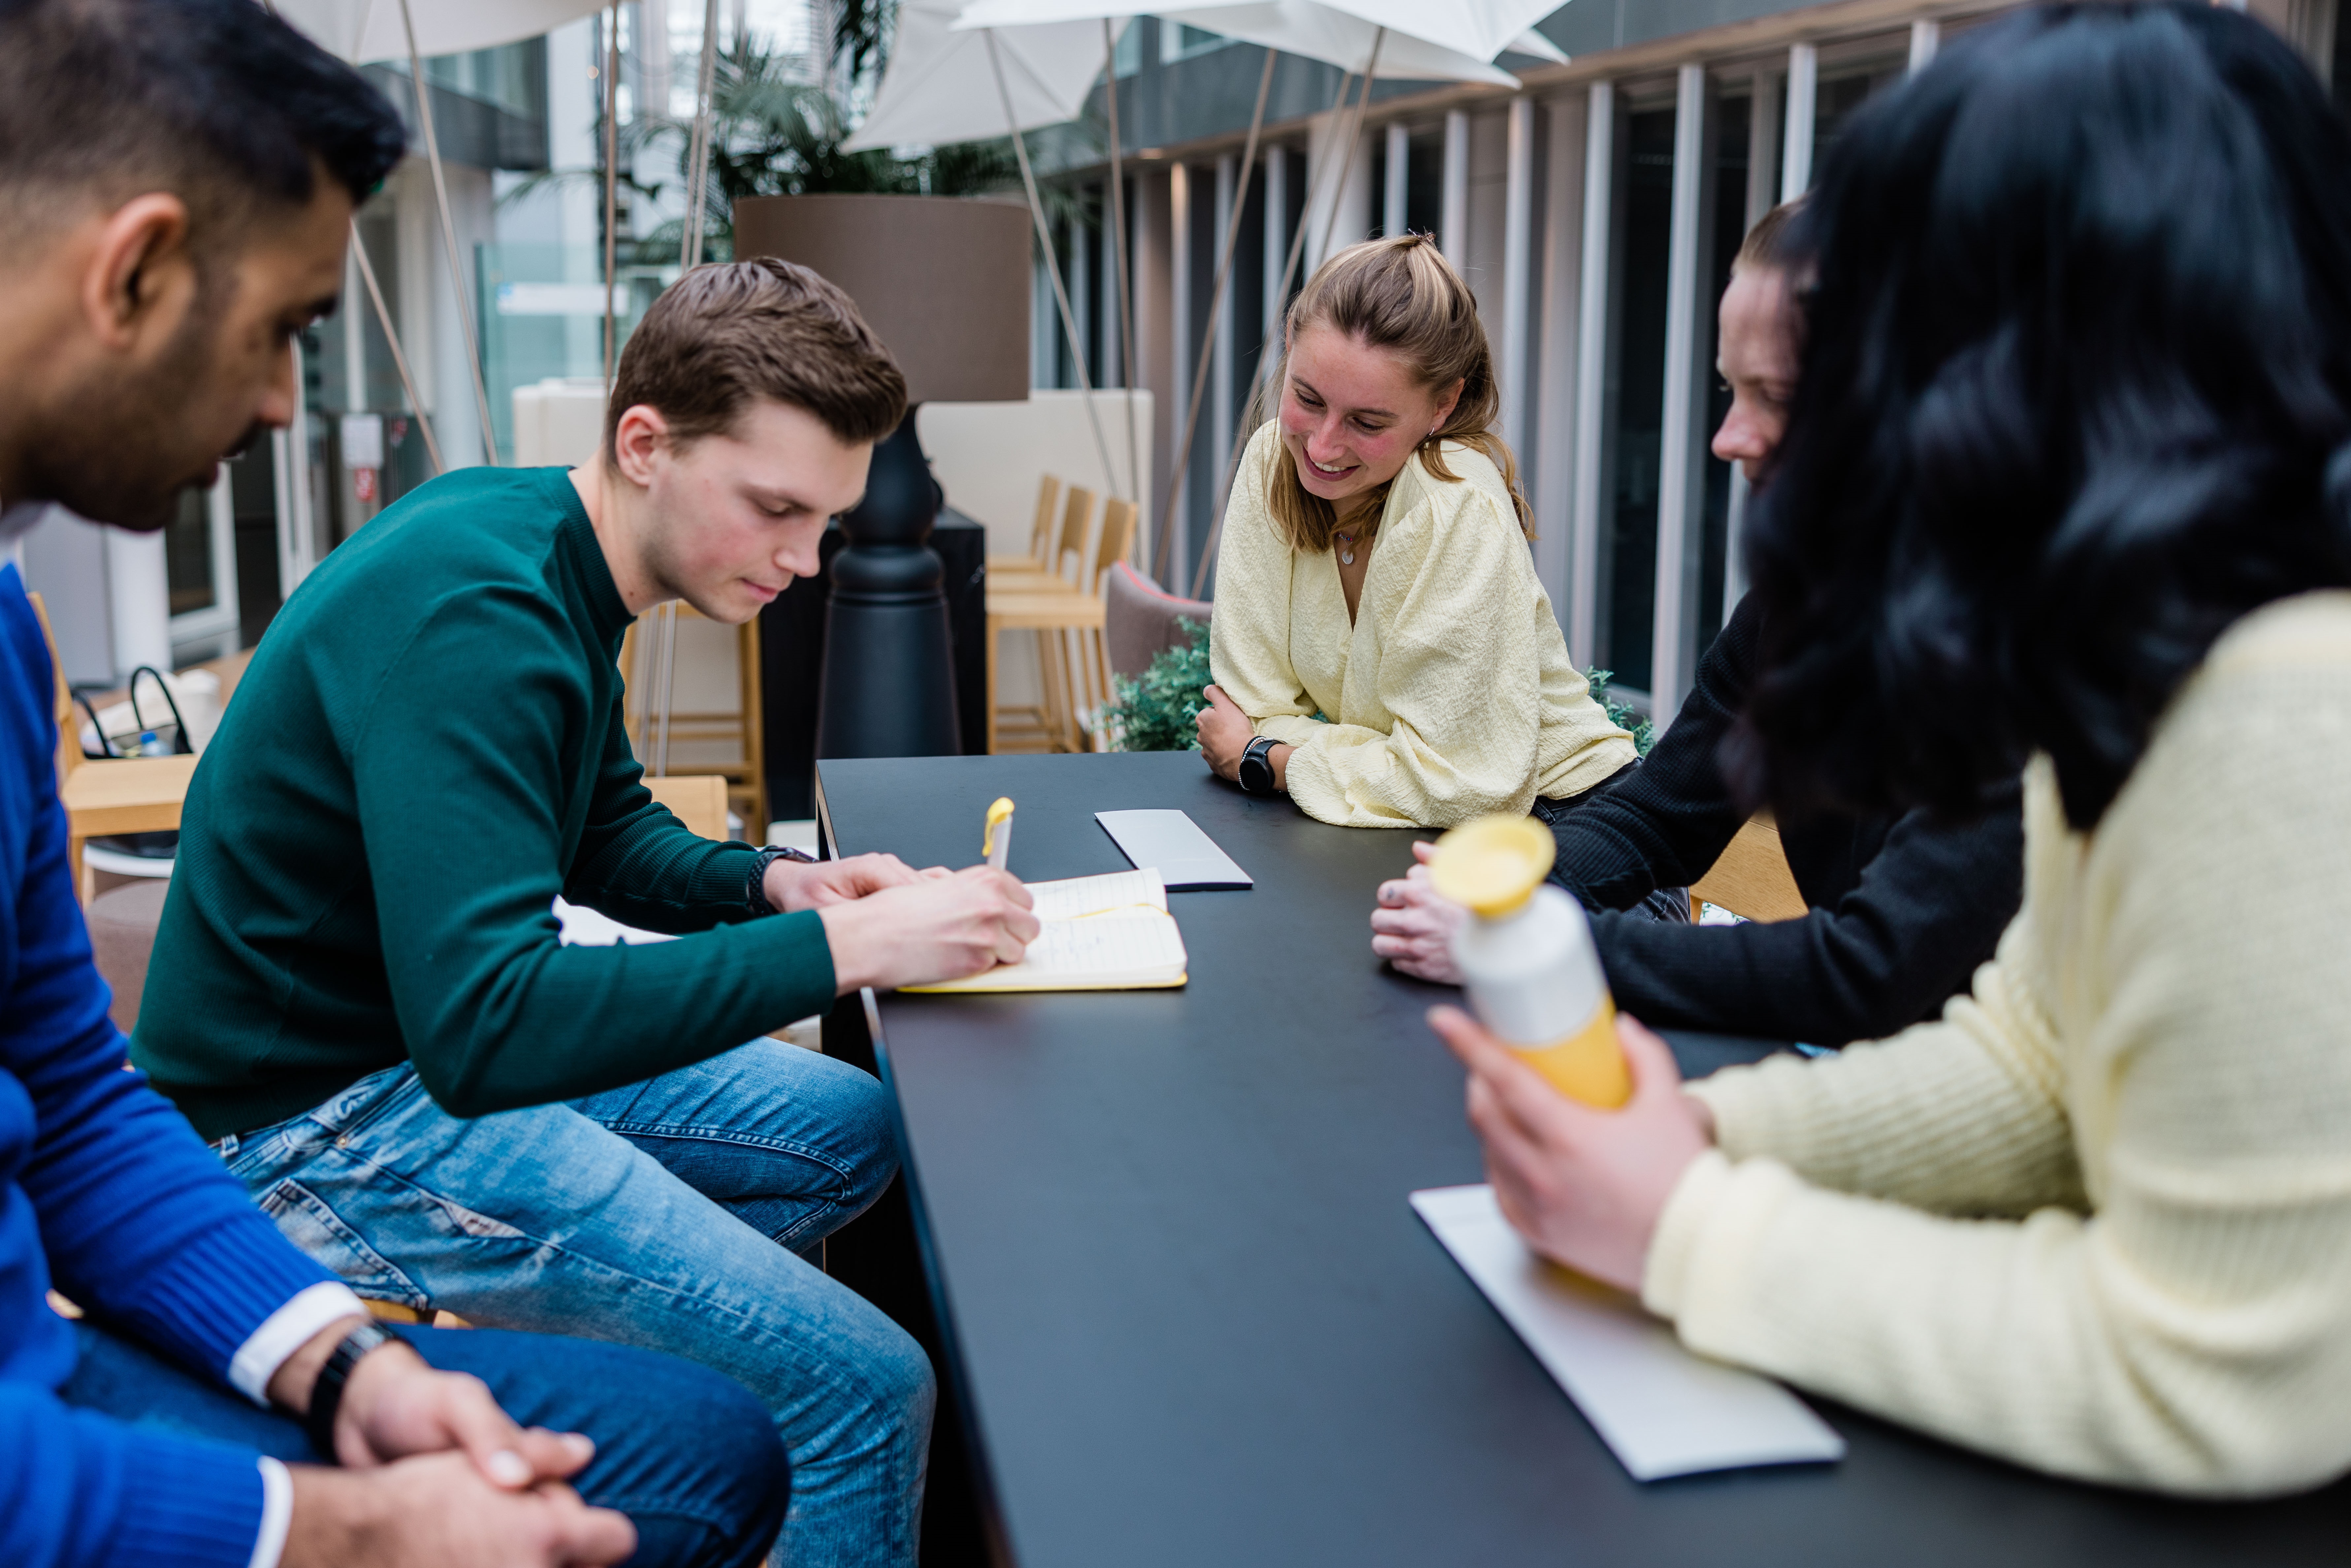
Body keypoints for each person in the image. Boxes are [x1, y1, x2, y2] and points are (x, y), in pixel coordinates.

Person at [1434, 1, 2351, 1495]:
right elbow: (2034, 1061)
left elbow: (2223, 1375)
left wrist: (1685, 1225)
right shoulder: (2150, 652)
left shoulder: (2285, 708)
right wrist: (1709, 1131)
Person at [0, 0, 792, 1562]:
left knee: (708, 1442)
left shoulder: (11, 623)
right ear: (138, 271)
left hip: (59, 1327)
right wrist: (333, 1528)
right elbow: (487, 1015)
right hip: (280, 1174)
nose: (294, 403)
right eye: (291, 327)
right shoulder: (485, 598)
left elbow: (81, 1090)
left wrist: (336, 1356)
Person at [128, 248, 1041, 1561]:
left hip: (411, 1046)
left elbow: (601, 827)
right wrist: (841, 943)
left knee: (858, 1126)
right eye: (775, 508)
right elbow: (489, 1030)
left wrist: (775, 880)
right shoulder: (483, 618)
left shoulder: (546, 547)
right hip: (314, 1119)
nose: (800, 558)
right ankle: (762, 1419)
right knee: (864, 1385)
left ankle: (695, 1414)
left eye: (822, 522)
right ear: (644, 441)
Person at [1371, 203, 2026, 1046]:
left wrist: (1545, 944)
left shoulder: (2028, 645)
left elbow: (1876, 971)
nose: (1726, 437)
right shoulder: (1805, 602)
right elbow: (1658, 817)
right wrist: (1503, 893)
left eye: (1777, 396)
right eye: (1729, 389)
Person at [1196, 235, 1640, 830]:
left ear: (1443, 405)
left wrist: (1269, 759)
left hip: (1579, 831)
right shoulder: (1271, 458)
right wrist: (1387, 764)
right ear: (1287, 348)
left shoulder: (1454, 503)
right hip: (1414, 833)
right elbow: (1250, 705)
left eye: (1367, 421)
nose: (1322, 446)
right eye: (1306, 397)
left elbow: (1467, 786)